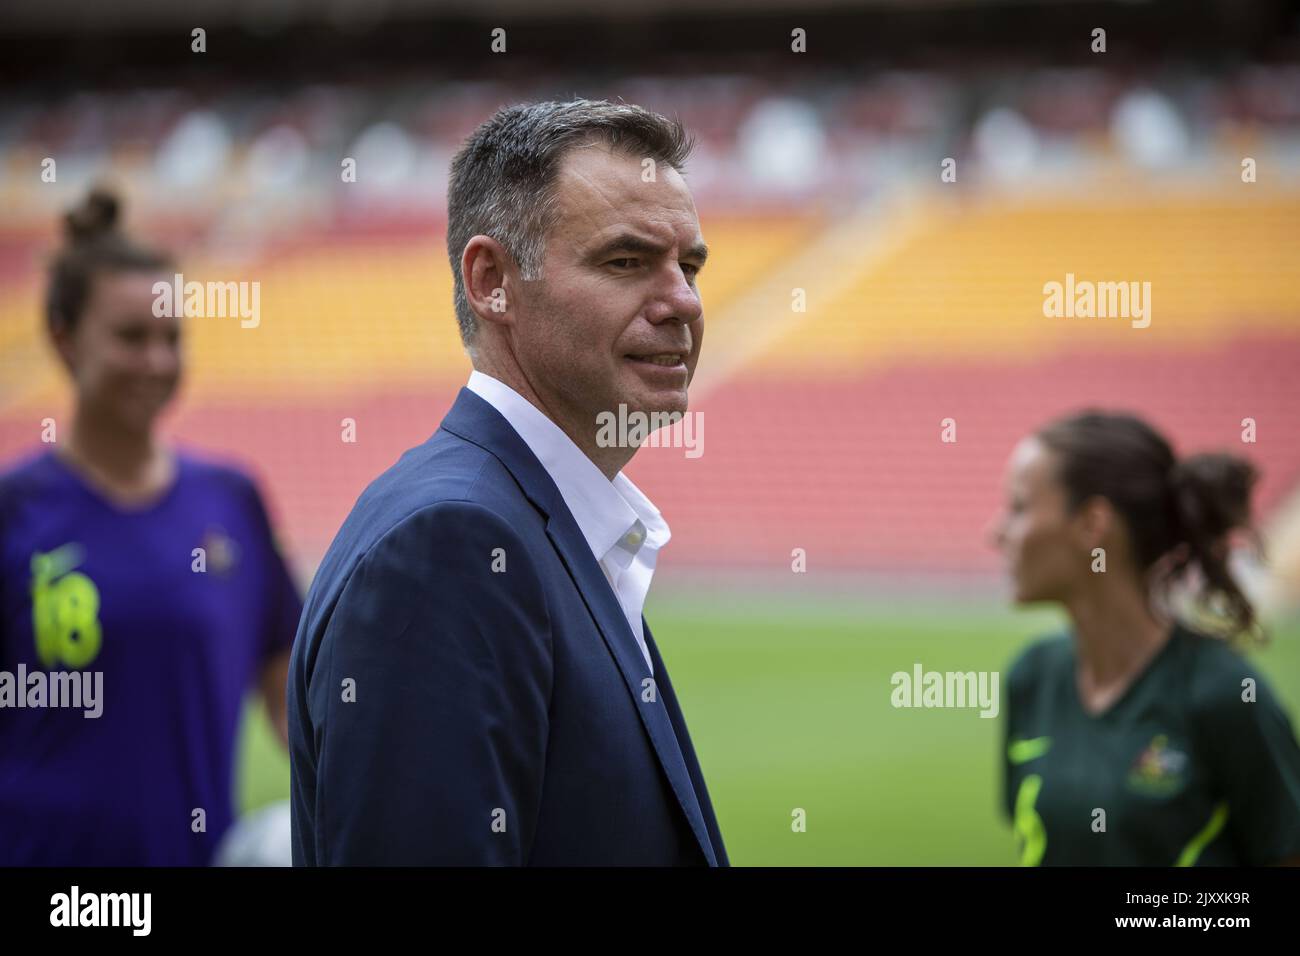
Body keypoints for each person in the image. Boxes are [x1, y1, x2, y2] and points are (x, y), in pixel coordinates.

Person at [288, 99, 727, 865]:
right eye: (626, 262)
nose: (683, 301)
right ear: (492, 280)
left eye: (687, 266)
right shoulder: (452, 546)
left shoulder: (532, 521)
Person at [0, 188, 302, 865]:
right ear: (64, 338)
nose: (159, 362)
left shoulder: (230, 501)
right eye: (132, 338)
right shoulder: (15, 511)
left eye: (173, 339)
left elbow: (295, 703)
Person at [990, 410, 1300, 865]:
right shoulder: (1031, 678)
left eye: (1018, 507)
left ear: (1093, 524)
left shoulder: (1223, 696)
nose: (995, 533)